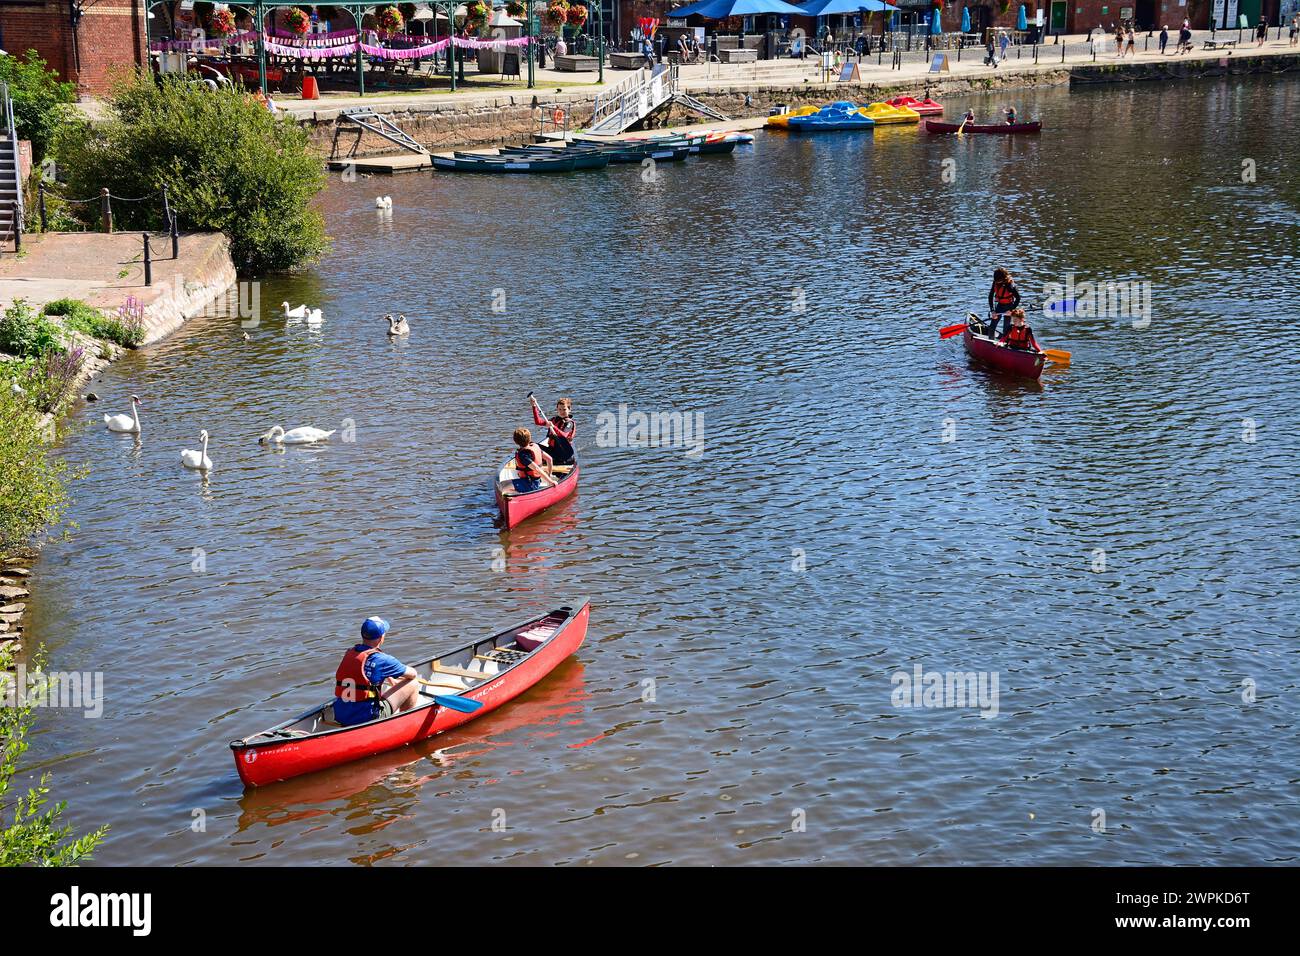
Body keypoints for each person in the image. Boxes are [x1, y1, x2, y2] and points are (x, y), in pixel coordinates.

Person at [332, 617, 422, 727]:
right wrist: (394, 671)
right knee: (413, 683)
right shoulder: (383, 660)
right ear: (381, 638)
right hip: (366, 718)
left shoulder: (350, 653)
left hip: (341, 715)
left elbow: (361, 672)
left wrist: (389, 676)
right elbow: (413, 674)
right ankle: (406, 726)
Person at [530, 394, 577, 467]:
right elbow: (538, 422)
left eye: (564, 409)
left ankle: (543, 462)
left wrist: (553, 427)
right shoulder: (554, 420)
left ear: (569, 410)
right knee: (532, 445)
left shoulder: (570, 423)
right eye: (559, 409)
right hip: (552, 451)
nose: (561, 412)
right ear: (557, 409)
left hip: (564, 456)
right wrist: (534, 406)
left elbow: (564, 435)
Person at [511, 427, 555, 493]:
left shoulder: (523, 455)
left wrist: (550, 481)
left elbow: (536, 468)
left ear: (515, 441)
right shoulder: (534, 446)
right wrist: (549, 475)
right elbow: (549, 459)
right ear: (529, 439)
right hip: (536, 481)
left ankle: (515, 497)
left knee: (504, 485)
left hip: (530, 484)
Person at [987, 267, 1021, 337]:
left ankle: (1006, 343)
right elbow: (990, 296)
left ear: (1003, 278)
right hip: (1000, 306)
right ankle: (990, 341)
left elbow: (1018, 298)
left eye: (998, 281)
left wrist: (1011, 310)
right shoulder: (995, 282)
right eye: (996, 280)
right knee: (992, 326)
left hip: (1009, 306)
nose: (996, 282)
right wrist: (992, 311)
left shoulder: (1010, 285)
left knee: (1006, 328)